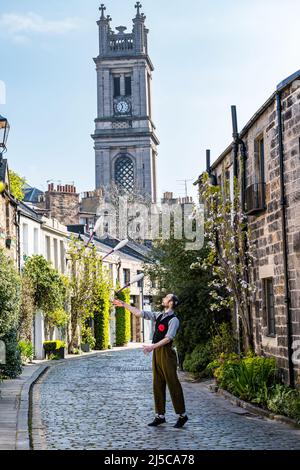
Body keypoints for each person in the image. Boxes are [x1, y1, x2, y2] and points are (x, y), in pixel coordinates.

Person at [113, 293, 188, 428]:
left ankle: (182, 415)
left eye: (166, 298)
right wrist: (124, 305)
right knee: (157, 383)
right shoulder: (159, 315)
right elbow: (139, 313)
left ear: (171, 303)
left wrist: (152, 346)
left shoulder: (174, 320)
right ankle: (160, 416)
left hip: (167, 353)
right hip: (157, 353)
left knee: (173, 383)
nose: (163, 299)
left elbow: (168, 338)